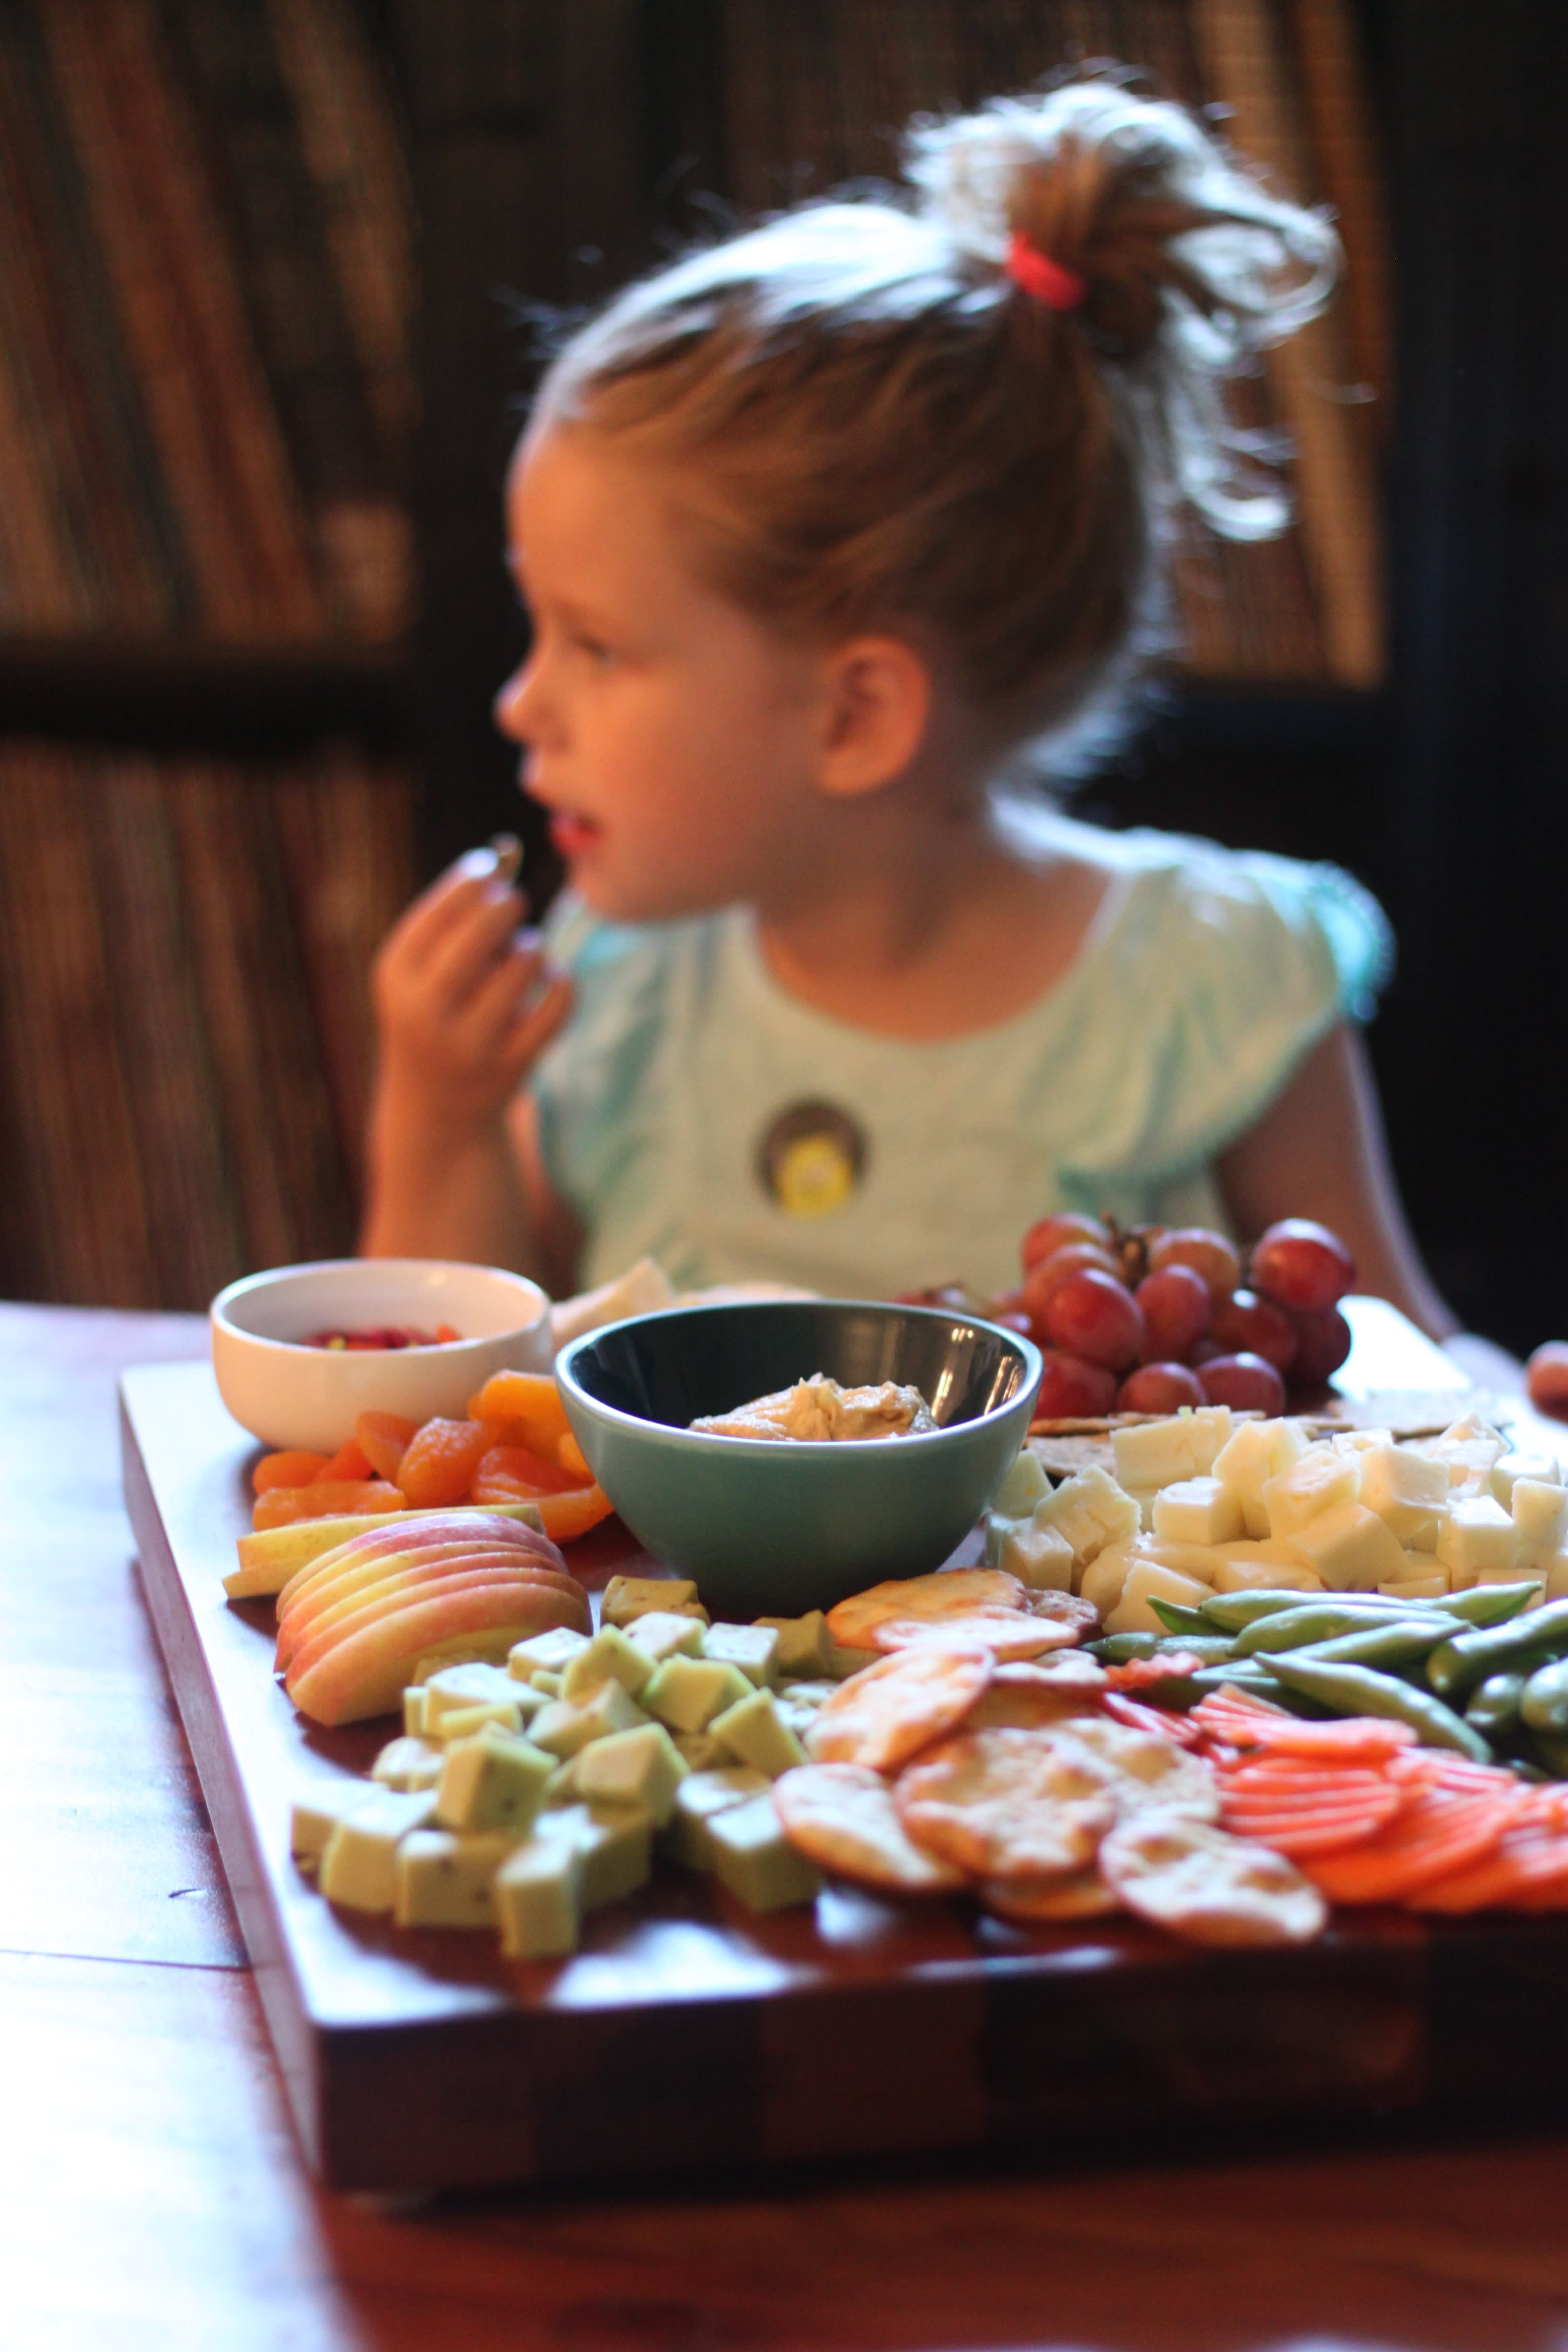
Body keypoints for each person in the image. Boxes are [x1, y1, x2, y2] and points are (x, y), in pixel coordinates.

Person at [362, 71, 1469, 1358]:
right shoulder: (618, 982)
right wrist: (439, 1117)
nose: (518, 703)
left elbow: (1404, 1383)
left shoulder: (1216, 983)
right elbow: (455, 1404)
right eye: (535, 627)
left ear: (856, 717)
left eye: (597, 647)